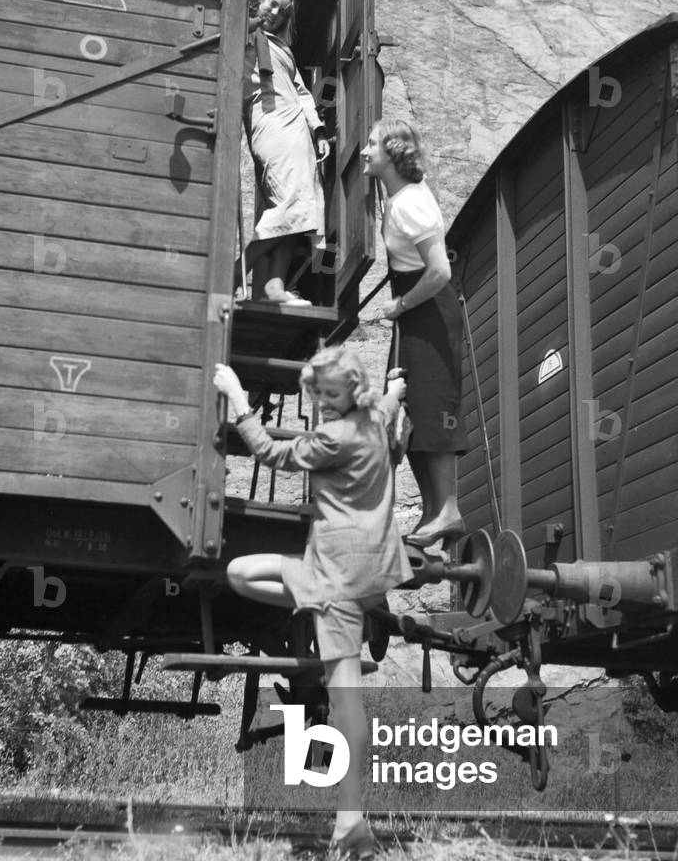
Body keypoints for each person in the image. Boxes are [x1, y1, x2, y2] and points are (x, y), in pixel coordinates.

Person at [213, 348, 411, 858]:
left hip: (341, 578)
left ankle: (352, 826)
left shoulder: (335, 437)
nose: (321, 402)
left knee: (346, 698)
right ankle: (311, 602)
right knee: (240, 573)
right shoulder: (374, 418)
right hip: (351, 571)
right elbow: (391, 401)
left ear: (349, 392)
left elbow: (270, 453)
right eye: (316, 394)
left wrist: (236, 394)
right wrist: (397, 388)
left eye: (329, 394)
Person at [362, 118, 468, 551]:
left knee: (430, 406)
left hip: (428, 310)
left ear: (391, 152)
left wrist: (401, 306)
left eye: (371, 144)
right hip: (414, 311)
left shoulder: (409, 204)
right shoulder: (398, 200)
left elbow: (440, 271)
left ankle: (448, 509)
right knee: (412, 410)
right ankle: (431, 511)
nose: (366, 151)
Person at [236, 0, 330, 306]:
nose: (273, 12)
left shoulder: (283, 49)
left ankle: (274, 288)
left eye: (280, 9)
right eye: (270, 3)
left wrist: (317, 129)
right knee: (291, 199)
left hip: (296, 128)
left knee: (298, 204)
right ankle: (236, 273)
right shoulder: (244, 32)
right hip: (269, 122)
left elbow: (302, 93)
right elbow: (233, 5)